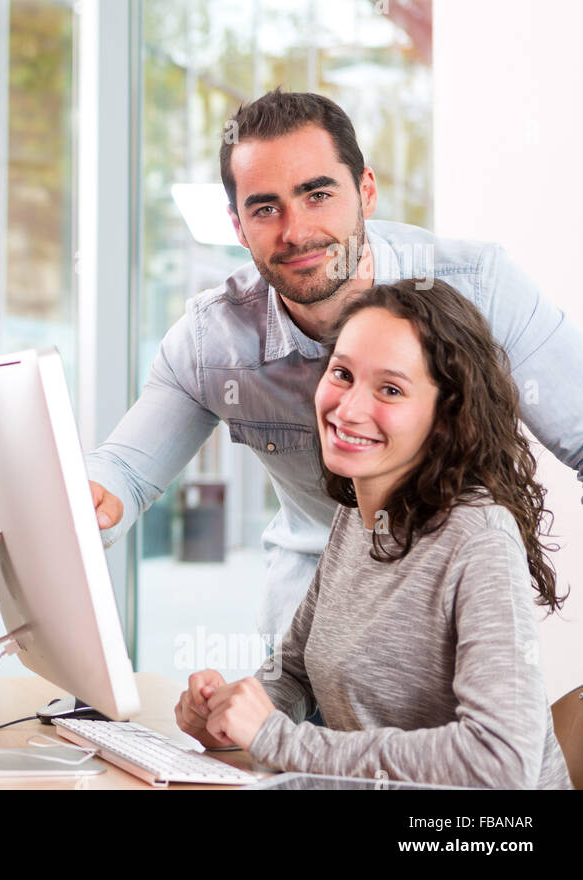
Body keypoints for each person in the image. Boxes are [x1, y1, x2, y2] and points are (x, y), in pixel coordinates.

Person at [85, 89, 583, 642]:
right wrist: (88, 502)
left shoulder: (479, 287)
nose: (296, 231)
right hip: (307, 646)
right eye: (265, 208)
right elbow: (124, 474)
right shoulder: (213, 341)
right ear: (238, 225)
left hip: (450, 638)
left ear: (366, 190)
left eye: (317, 194)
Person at [173, 279, 571, 788]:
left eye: (390, 389)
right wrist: (231, 715)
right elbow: (296, 671)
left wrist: (277, 738)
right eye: (342, 374)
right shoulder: (357, 515)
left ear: (446, 418)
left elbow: (501, 761)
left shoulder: (479, 539)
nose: (349, 409)